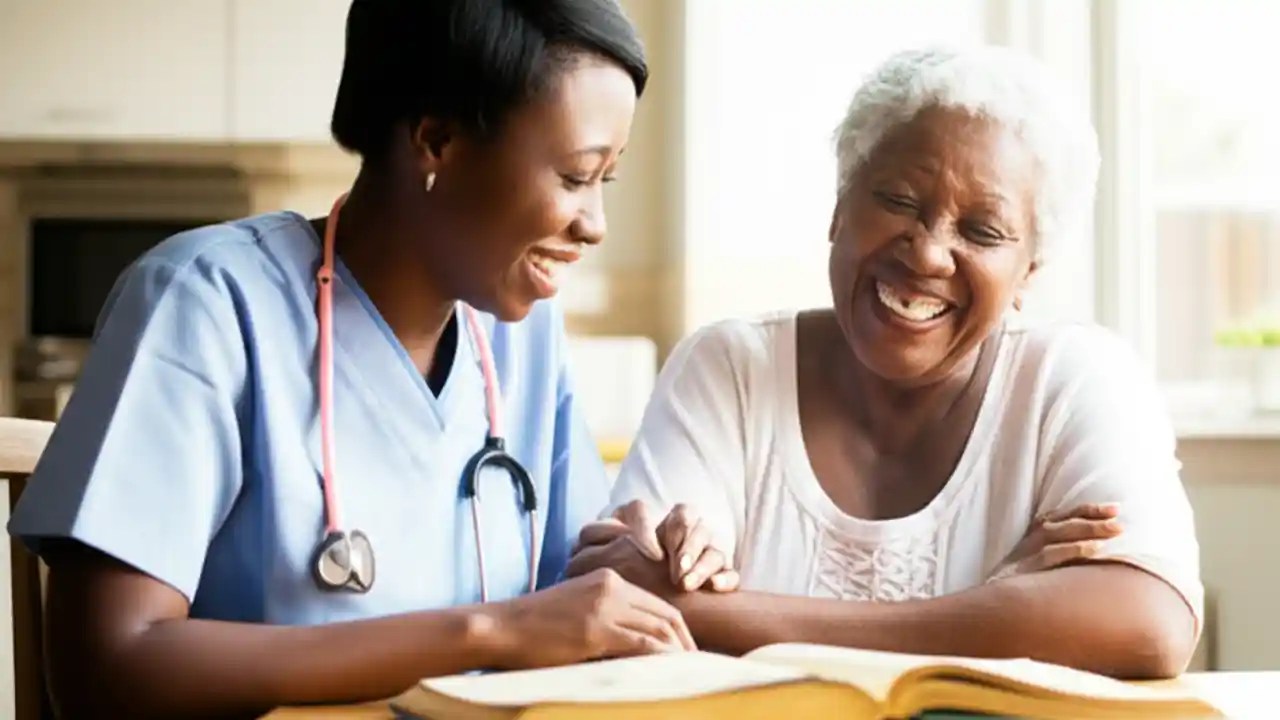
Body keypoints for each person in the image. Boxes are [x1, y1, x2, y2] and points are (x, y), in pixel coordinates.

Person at [6, 2, 697, 718]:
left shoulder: (522, 337)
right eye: (576, 176)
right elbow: (107, 667)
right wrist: (485, 632)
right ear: (438, 138)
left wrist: (644, 560)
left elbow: (573, 591)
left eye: (606, 182)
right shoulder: (208, 303)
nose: (595, 225)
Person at [569, 44, 1204, 680]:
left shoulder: (1075, 381)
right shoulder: (729, 368)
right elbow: (628, 607)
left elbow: (1148, 627)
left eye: (982, 232)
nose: (928, 254)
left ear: (1028, 271)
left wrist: (719, 615)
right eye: (898, 201)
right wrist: (999, 612)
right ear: (839, 208)